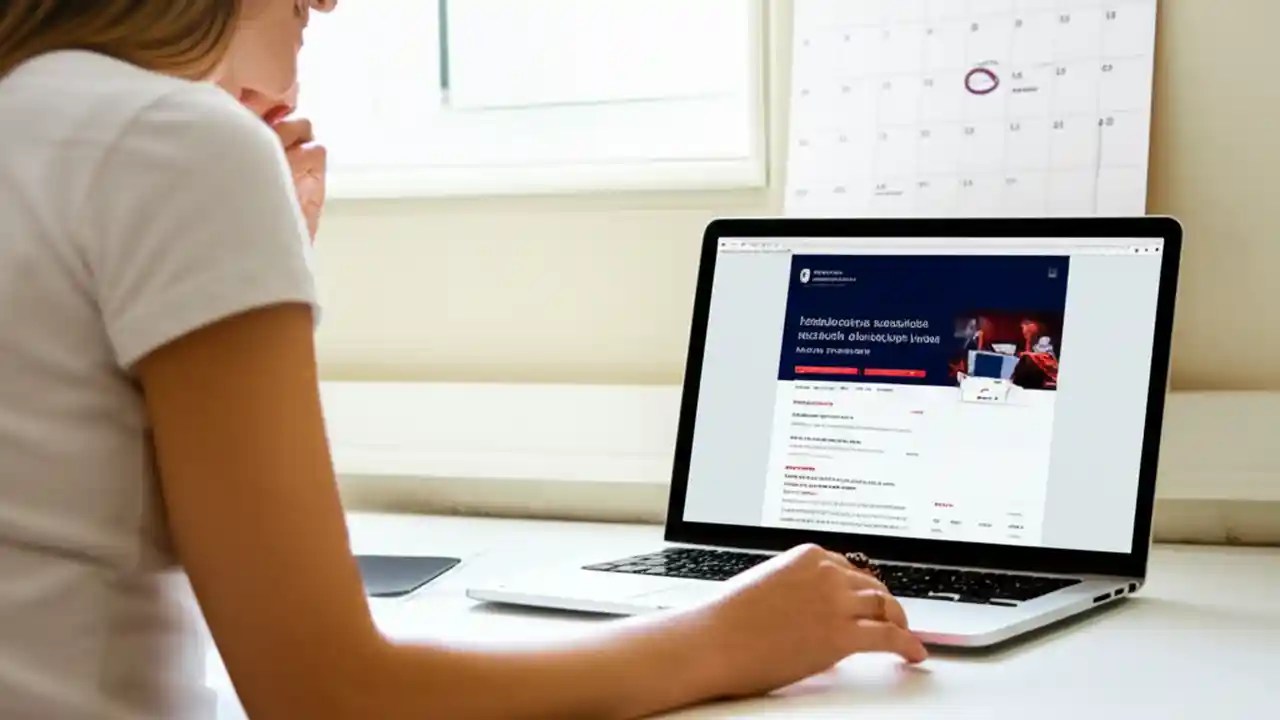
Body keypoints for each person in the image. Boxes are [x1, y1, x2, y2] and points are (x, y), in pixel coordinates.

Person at [0, 1, 926, 718]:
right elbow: (330, 694)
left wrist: (249, 260)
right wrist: (726, 638)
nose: (330, 7)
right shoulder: (181, 143)